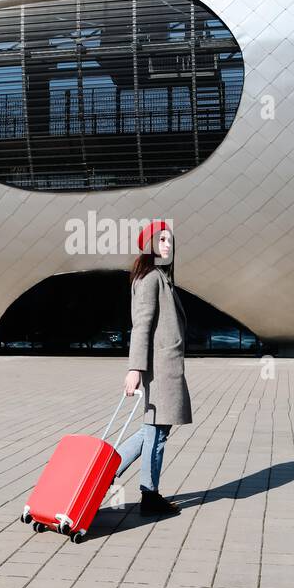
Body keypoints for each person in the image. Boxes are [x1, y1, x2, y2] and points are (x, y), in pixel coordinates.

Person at [115, 219, 192, 516]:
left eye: (170, 240)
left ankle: (110, 469)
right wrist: (135, 368)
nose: (168, 245)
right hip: (159, 368)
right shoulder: (149, 279)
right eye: (161, 240)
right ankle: (149, 495)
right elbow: (141, 325)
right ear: (149, 245)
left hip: (166, 366)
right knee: (157, 430)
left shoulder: (161, 277)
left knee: (155, 427)